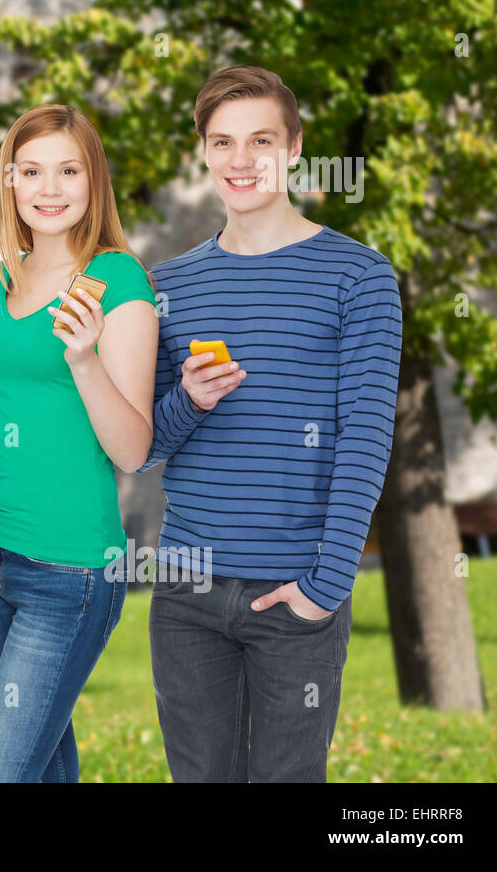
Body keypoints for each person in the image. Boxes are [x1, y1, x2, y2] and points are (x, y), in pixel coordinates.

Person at [140, 64, 402, 782]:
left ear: (294, 148)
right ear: (203, 153)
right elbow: (143, 451)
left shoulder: (359, 276)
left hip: (294, 592)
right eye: (222, 142)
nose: (240, 161)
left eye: (260, 140)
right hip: (187, 591)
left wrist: (326, 585)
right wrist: (189, 400)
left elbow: (367, 435)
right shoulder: (170, 285)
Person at [0, 103, 158, 782]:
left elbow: (133, 448)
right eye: (33, 171)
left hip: (71, 570)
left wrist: (83, 358)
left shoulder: (117, 281)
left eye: (68, 170)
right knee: (42, 764)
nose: (50, 188)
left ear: (93, 180)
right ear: (10, 183)